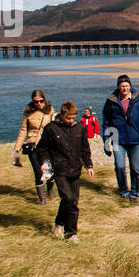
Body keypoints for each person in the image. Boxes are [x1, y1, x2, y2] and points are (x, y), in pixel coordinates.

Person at [34, 101, 94, 243]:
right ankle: (68, 232)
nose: (70, 121)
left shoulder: (79, 128)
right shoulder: (51, 128)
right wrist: (45, 163)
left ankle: (67, 230)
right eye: (68, 118)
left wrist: (89, 166)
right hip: (59, 170)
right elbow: (42, 149)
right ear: (61, 115)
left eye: (73, 118)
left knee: (73, 201)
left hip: (75, 169)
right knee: (68, 198)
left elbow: (85, 149)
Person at [101, 74, 139, 203]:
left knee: (135, 168)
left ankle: (134, 193)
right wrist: (106, 142)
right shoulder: (111, 100)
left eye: (127, 86)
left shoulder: (138, 99)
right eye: (122, 86)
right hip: (118, 139)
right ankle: (123, 191)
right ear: (118, 87)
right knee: (120, 166)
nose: (125, 88)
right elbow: (107, 123)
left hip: (134, 139)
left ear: (130, 86)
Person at [13, 89, 57, 205]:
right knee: (38, 171)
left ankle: (50, 189)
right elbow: (23, 130)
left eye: (41, 101)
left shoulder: (50, 110)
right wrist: (16, 150)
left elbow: (56, 125)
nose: (39, 104)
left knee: (50, 169)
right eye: (35, 102)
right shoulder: (28, 111)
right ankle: (42, 199)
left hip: (48, 145)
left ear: (44, 99)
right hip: (33, 145)